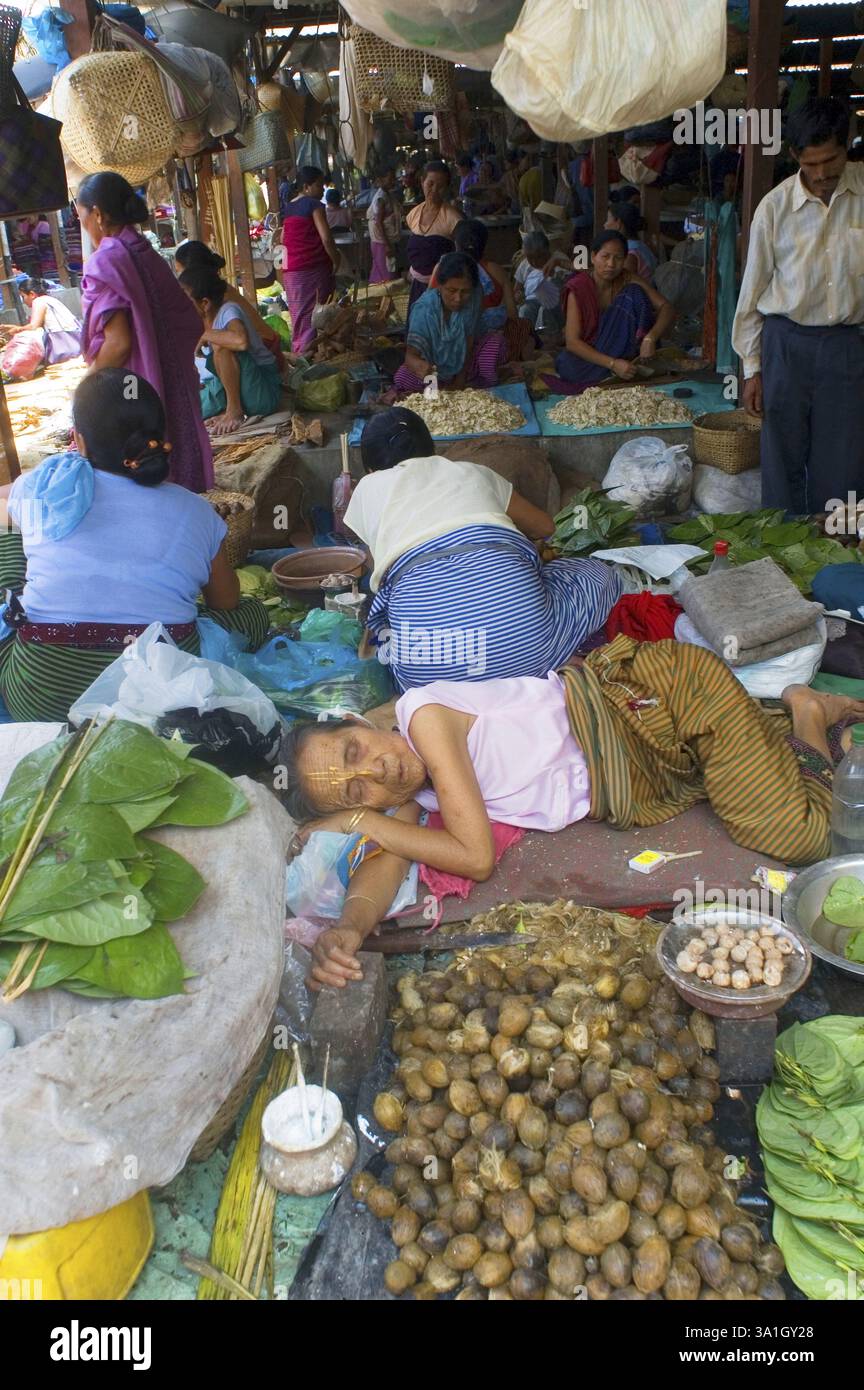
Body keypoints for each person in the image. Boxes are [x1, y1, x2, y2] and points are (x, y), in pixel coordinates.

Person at [282, 646, 863, 989]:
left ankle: (807, 712)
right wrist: (351, 928)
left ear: (359, 724)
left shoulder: (425, 721)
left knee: (801, 836)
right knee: (746, 775)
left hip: (658, 700)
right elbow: (387, 861)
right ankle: (768, 730)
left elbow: (475, 858)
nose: (377, 772)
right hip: (646, 753)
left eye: (355, 753)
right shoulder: (413, 787)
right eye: (358, 790)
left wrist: (362, 821)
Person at [0, 369, 269, 723]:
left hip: (40, 692)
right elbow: (226, 602)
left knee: (10, 531)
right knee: (252, 614)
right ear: (159, 437)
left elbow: (9, 515)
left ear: (79, 442)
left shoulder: (42, 486)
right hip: (161, 691)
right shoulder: (196, 511)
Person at [343, 406, 620, 692]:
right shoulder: (472, 472)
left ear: (372, 470)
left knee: (394, 618)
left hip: (429, 682)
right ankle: (544, 659)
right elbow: (547, 529)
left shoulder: (367, 489)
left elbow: (385, 576)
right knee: (597, 573)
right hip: (529, 654)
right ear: (432, 450)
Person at [731, 96, 864, 514]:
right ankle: (782, 543)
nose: (822, 174)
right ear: (794, 157)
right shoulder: (773, 209)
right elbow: (751, 295)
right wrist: (752, 370)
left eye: (831, 161)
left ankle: (834, 547)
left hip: (846, 343)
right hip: (785, 344)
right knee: (781, 453)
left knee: (843, 457)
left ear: (848, 147)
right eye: (810, 164)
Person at [77, 172, 213, 493]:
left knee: (141, 467)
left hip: (133, 386)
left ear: (97, 214)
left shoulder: (106, 260)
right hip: (173, 377)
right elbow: (185, 317)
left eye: (81, 216)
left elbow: (119, 343)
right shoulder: (142, 250)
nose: (83, 225)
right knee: (177, 451)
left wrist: (85, 388)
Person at [547, 230, 675, 395]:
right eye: (605, 257)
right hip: (596, 355)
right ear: (593, 257)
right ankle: (621, 370)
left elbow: (667, 307)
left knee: (634, 292)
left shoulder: (626, 278)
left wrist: (651, 337)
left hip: (626, 352)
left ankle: (627, 366)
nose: (611, 264)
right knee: (567, 365)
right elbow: (572, 342)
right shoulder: (578, 287)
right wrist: (613, 364)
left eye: (618, 258)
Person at [180, 267, 282, 435]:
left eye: (185, 301)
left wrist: (206, 334)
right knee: (188, 413)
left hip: (264, 391)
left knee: (222, 346)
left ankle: (234, 411)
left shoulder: (228, 309)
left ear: (205, 303)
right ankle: (227, 409)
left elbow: (240, 341)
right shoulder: (198, 322)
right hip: (241, 392)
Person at [393, 252, 507, 394]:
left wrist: (459, 382)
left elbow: (469, 343)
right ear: (440, 286)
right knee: (404, 377)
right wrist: (419, 365)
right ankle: (442, 389)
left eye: (465, 291)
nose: (458, 298)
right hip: (431, 371)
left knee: (495, 346)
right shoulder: (424, 310)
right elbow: (410, 356)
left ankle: (469, 384)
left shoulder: (475, 295)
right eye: (451, 290)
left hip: (465, 362)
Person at [174, 241, 288, 371]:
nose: (179, 278)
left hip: (266, 351)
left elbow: (238, 340)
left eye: (179, 272)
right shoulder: (215, 290)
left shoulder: (217, 295)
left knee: (220, 350)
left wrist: (203, 335)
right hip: (267, 346)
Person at [431, 220, 533, 362]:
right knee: (523, 328)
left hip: (451, 347)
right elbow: (512, 315)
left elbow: (430, 306)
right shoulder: (496, 271)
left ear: (456, 244)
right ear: (484, 245)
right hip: (491, 348)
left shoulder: (442, 268)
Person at [280, 166, 341, 355]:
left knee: (299, 316)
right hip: (312, 269)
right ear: (306, 187)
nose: (323, 190)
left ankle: (299, 352)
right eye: (319, 185)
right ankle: (311, 354)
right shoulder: (314, 205)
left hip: (291, 272)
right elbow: (326, 238)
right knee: (317, 314)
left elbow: (282, 240)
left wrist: (281, 269)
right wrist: (336, 259)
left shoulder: (289, 208)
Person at [405, 160, 464, 310]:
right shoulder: (413, 215)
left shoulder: (453, 219)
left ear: (447, 188)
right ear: (422, 181)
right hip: (417, 288)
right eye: (430, 184)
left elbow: (461, 259)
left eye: (441, 186)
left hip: (442, 291)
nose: (434, 190)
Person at [3, 278, 81, 367]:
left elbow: (33, 327)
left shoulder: (38, 301)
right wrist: (15, 327)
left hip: (64, 345)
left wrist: (17, 330)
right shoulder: (50, 299)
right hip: (76, 340)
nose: (23, 301)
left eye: (23, 296)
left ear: (32, 294)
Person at [514, 232, 566, 333]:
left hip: (555, 304)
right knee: (524, 310)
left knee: (544, 311)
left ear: (547, 251)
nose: (534, 262)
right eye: (530, 258)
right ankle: (526, 338)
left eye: (539, 257)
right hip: (531, 302)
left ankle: (547, 337)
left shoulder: (559, 260)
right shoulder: (524, 265)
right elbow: (517, 289)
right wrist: (518, 295)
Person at [605, 200, 657, 281]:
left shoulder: (630, 256)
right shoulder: (639, 246)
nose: (604, 225)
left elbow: (621, 286)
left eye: (608, 219)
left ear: (618, 223)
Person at [367, 168, 401, 284]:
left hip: (384, 240)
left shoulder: (387, 195)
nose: (393, 181)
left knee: (388, 269)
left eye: (394, 178)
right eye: (390, 179)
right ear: (381, 180)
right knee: (384, 272)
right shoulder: (381, 198)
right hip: (381, 241)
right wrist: (386, 245)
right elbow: (378, 222)